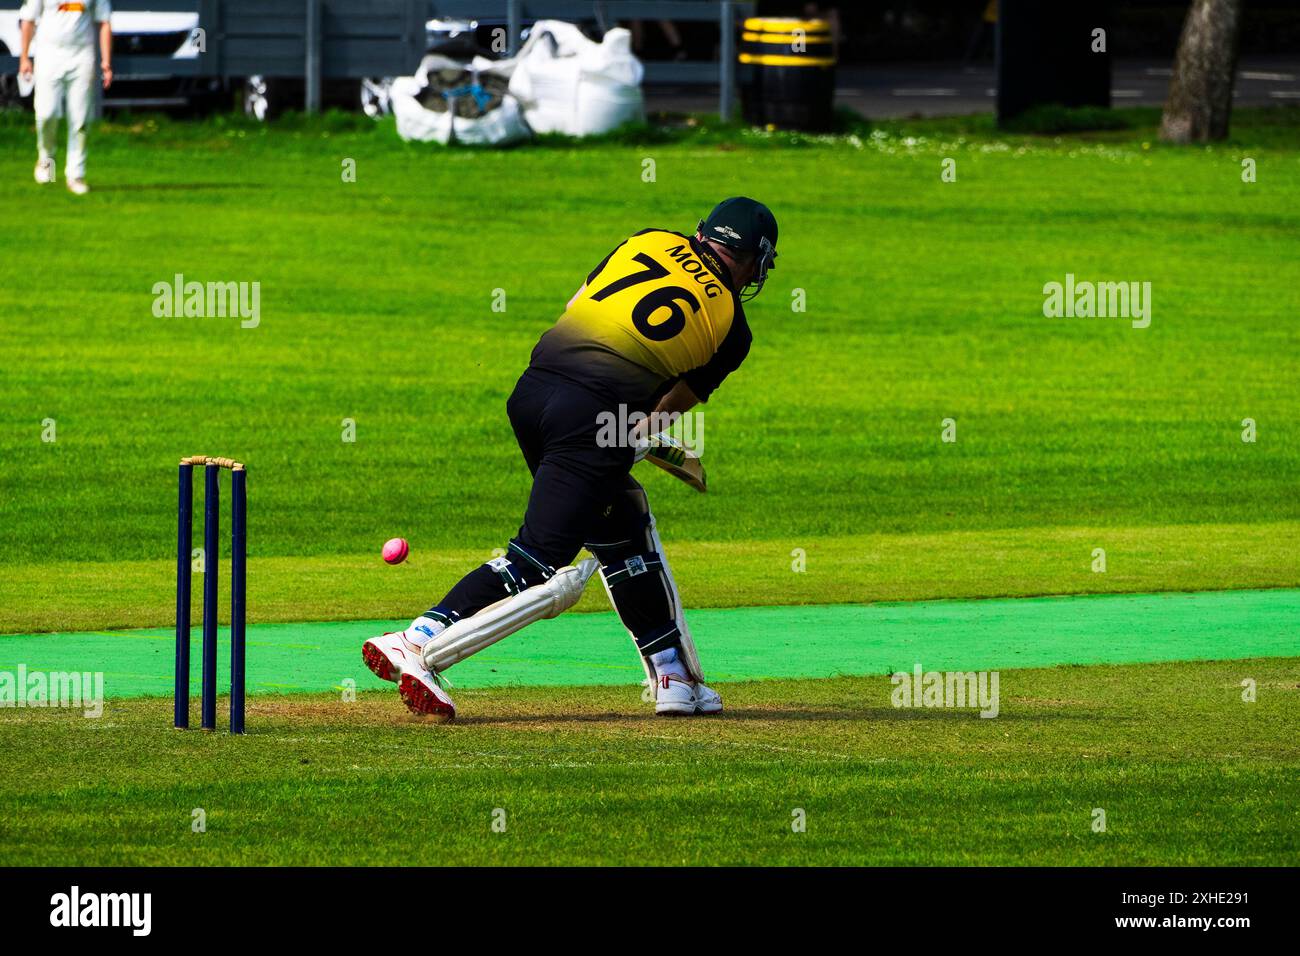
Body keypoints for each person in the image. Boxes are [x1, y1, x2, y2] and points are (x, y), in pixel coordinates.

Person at [363, 198, 779, 719]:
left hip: (534, 391)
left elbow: (578, 301)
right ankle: (419, 636)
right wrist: (632, 434)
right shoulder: (733, 330)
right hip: (592, 419)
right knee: (537, 560)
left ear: (702, 232)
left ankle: (671, 674)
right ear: (754, 260)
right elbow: (666, 409)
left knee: (622, 519)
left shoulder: (647, 240)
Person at [18, 0, 113, 195]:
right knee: (46, 114)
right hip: (48, 54)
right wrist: (25, 57)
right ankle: (47, 162)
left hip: (82, 56)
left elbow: (104, 21)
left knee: (80, 119)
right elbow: (28, 19)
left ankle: (75, 174)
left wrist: (106, 62)